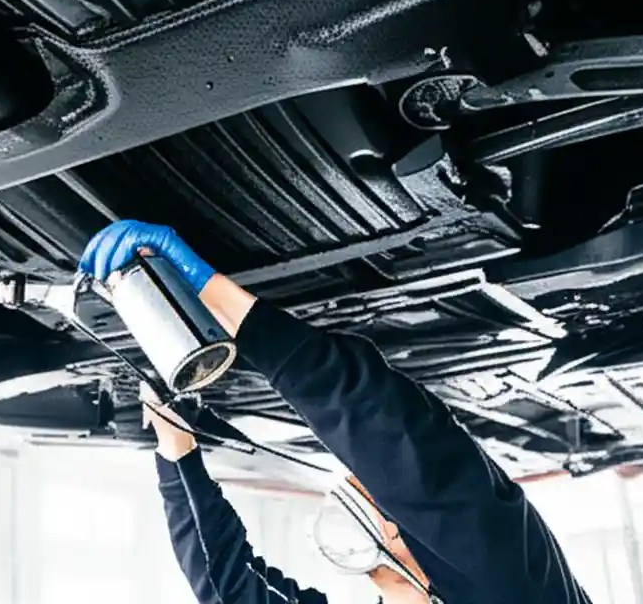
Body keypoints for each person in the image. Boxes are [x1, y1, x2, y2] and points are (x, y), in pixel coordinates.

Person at [79, 221, 591, 604]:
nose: (361, 483)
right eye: (372, 490)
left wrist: (177, 454)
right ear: (398, 531)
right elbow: (397, 438)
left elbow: (229, 590)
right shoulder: (514, 585)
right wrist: (215, 295)